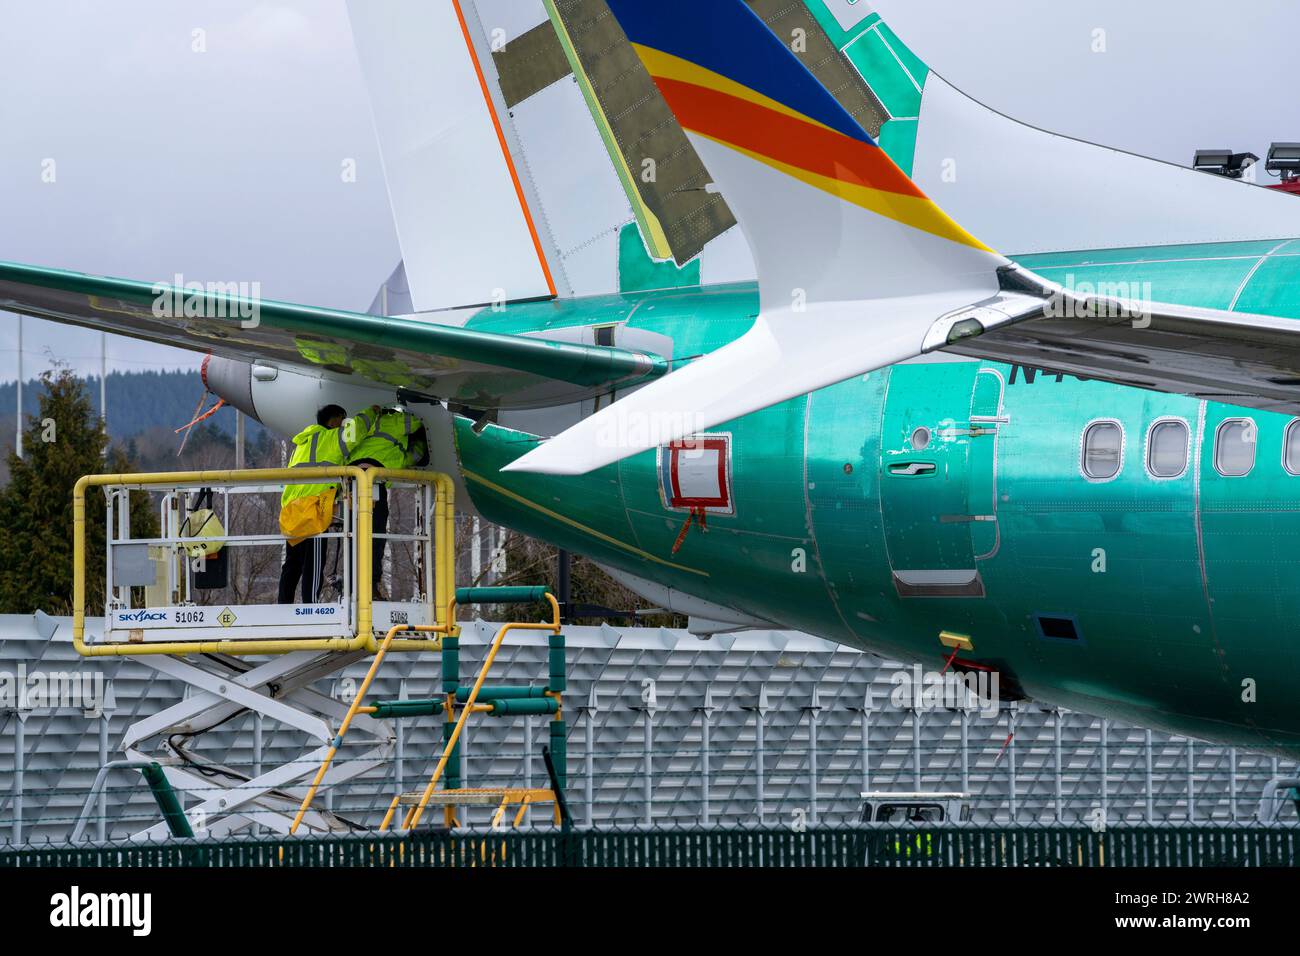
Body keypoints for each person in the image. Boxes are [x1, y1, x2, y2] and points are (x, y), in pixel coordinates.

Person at [277, 403, 379, 603]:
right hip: (314, 507)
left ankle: (283, 606)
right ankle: (310, 607)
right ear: (334, 420)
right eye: (343, 419)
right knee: (313, 562)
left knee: (293, 563)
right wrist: (372, 412)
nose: (345, 423)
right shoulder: (333, 438)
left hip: (291, 509)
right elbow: (357, 429)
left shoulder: (302, 443)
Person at [347, 406, 429, 598]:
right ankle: (370, 586)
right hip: (372, 479)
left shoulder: (362, 424)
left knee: (353, 535)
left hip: (351, 480)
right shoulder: (395, 421)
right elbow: (420, 420)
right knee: (375, 535)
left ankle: (353, 584)